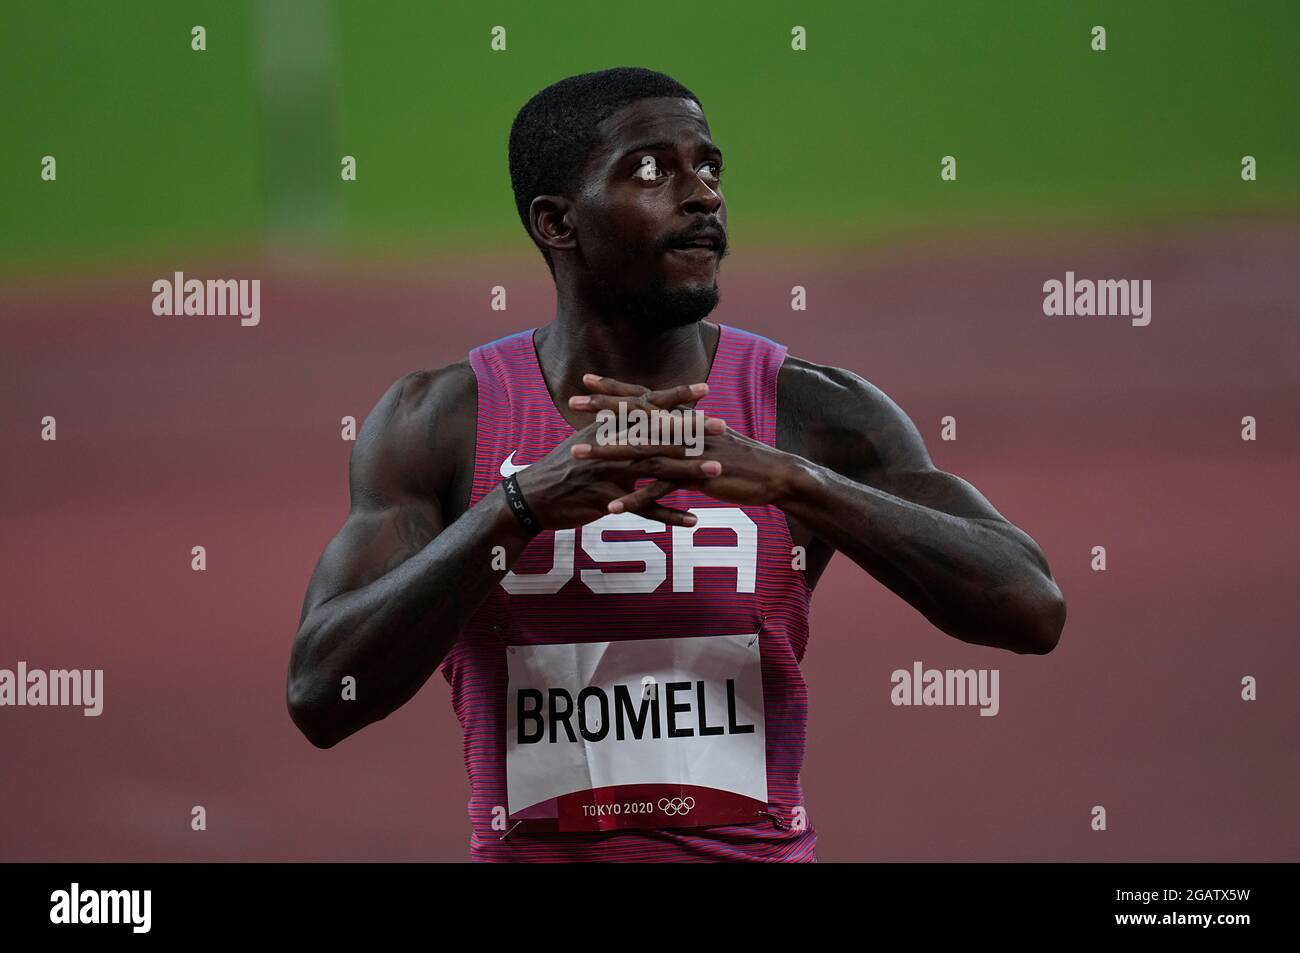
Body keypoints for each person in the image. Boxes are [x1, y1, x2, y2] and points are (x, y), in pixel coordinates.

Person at [286, 67, 1066, 862]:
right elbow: (321, 695)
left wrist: (799, 482)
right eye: (653, 170)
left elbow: (1032, 609)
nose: (703, 195)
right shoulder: (442, 422)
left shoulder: (812, 414)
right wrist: (515, 509)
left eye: (710, 167)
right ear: (558, 221)